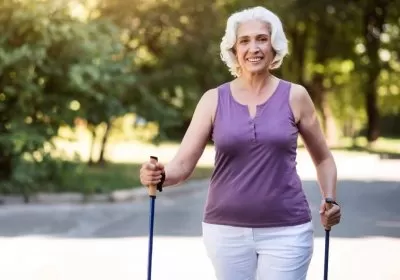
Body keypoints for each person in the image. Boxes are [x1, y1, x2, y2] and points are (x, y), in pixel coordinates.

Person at [139, 5, 341, 280]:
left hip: (287, 230)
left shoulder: (296, 96)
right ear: (234, 50)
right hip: (225, 231)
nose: (253, 48)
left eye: (262, 39)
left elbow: (324, 159)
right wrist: (159, 175)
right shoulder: (213, 100)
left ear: (274, 46)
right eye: (244, 41)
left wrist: (330, 199)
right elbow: (182, 165)